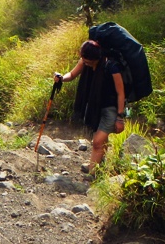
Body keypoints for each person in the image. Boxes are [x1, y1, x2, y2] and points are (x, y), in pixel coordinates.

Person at [54, 39, 126, 173]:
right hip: (95, 107)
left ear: (96, 58)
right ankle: (99, 166)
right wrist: (61, 78)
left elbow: (121, 93)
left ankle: (92, 173)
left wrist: (120, 117)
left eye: (87, 60)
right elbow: (72, 74)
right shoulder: (85, 61)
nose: (84, 62)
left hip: (111, 108)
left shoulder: (111, 67)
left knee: (97, 142)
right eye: (83, 59)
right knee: (101, 141)